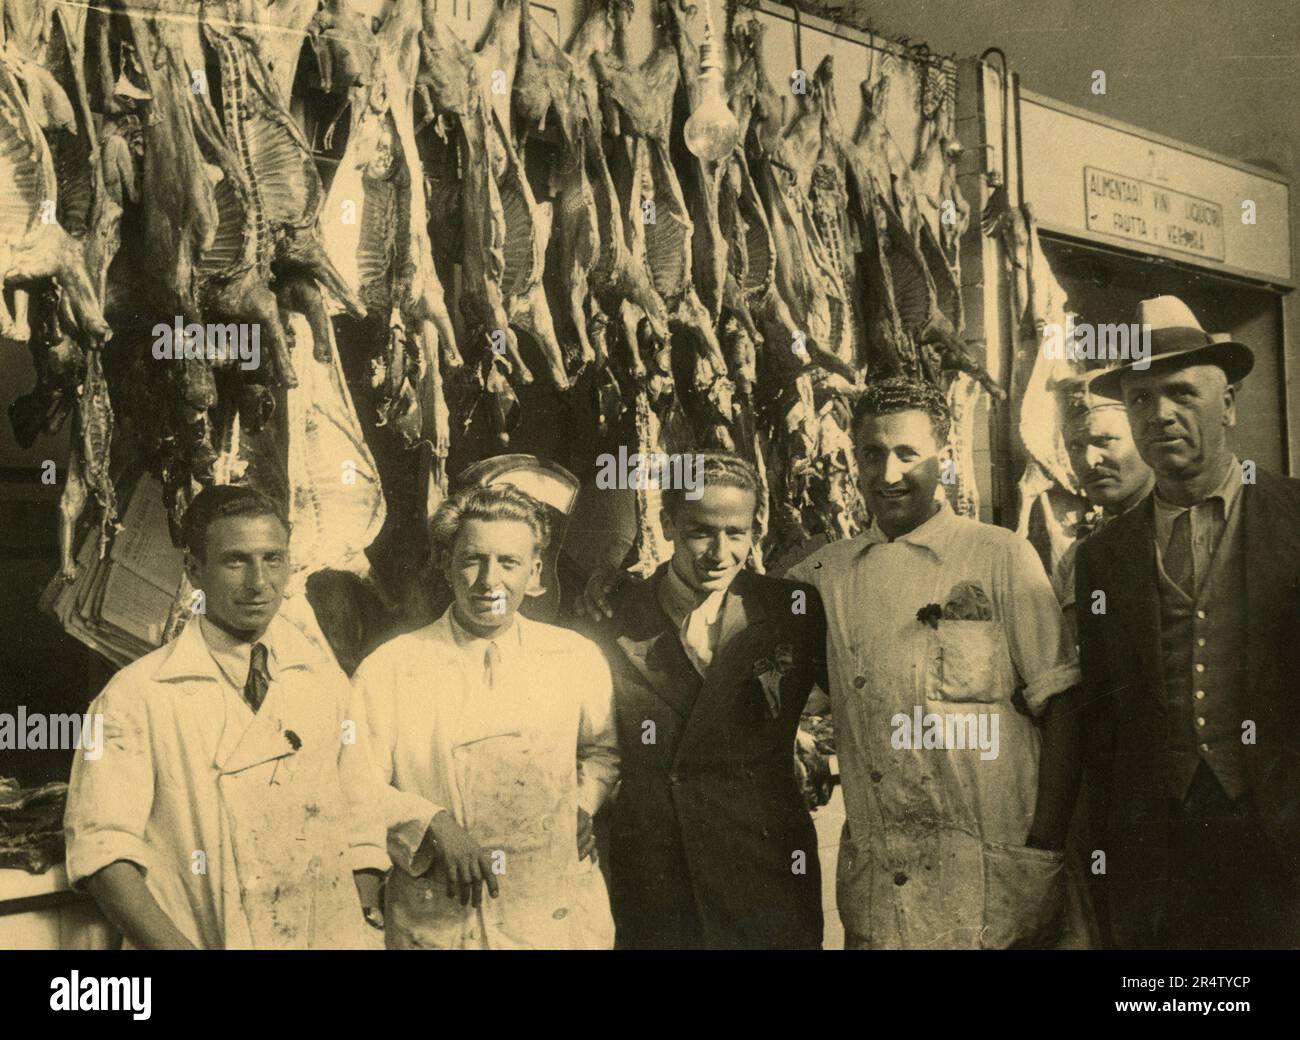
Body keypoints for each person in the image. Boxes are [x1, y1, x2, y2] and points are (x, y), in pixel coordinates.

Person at [785, 377, 1086, 948]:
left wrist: (1042, 847)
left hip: (994, 881)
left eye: (908, 453)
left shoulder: (1000, 556)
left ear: (943, 458)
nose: (888, 474)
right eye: (872, 454)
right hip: (884, 885)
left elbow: (1063, 705)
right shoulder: (824, 575)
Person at [64, 484, 383, 949]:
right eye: (236, 561)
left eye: (273, 559)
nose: (259, 583)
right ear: (194, 571)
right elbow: (104, 854)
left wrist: (361, 924)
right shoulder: (133, 696)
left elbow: (363, 819)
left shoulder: (322, 679)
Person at [1077, 295, 1300, 948]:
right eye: (1140, 400)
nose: (1160, 415)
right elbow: (1102, 720)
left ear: (1227, 403)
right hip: (1159, 845)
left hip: (1281, 837)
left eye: (1179, 393)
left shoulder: (1295, 521)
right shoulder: (1102, 558)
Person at [351, 482, 620, 949]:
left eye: (508, 563)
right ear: (445, 564)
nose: (489, 581)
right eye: (473, 559)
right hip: (441, 916)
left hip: (551, 909)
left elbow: (603, 753)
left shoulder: (574, 658)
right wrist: (430, 822)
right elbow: (354, 787)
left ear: (535, 573)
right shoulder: (390, 669)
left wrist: (581, 806)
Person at [579, 451, 828, 949]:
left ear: (755, 528)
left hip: (765, 870)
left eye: (736, 533)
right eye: (700, 531)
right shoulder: (613, 615)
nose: (720, 552)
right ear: (667, 523)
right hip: (657, 876)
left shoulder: (792, 610)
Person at [1051, 371, 1155, 643]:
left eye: (1105, 440)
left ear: (1144, 438)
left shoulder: (1184, 532)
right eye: (1075, 446)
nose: (1089, 460)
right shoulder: (1078, 553)